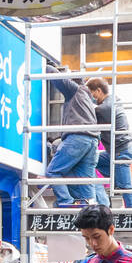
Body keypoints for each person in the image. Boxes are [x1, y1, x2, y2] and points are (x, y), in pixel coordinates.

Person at [46, 76, 101, 207]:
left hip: (78, 137)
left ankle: (66, 202)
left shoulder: (74, 90)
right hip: (93, 142)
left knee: (53, 172)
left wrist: (49, 64)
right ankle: (90, 208)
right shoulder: (87, 97)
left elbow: (51, 72)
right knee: (85, 181)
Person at [87, 79, 132, 208]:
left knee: (126, 186)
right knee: (90, 161)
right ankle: (111, 185)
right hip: (118, 150)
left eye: (91, 94)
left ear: (98, 90)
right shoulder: (114, 100)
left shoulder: (104, 108)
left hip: (121, 151)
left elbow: (91, 120)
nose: (91, 98)